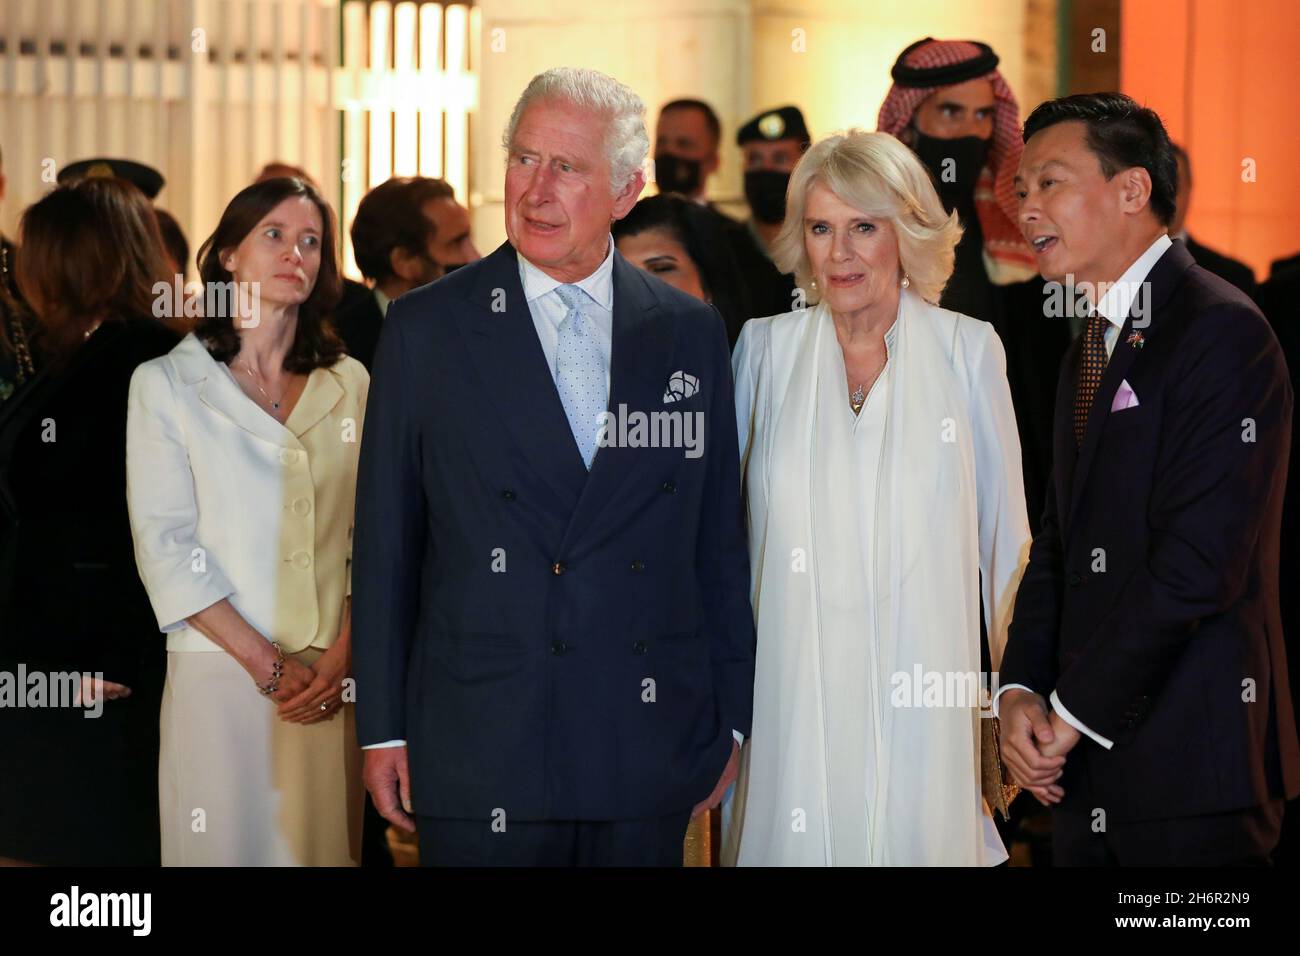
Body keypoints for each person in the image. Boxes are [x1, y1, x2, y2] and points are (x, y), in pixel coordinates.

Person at [352, 66, 755, 867]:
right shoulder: (426, 330)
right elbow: (387, 545)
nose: (535, 191)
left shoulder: (688, 330)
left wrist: (732, 719)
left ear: (626, 188)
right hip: (481, 739)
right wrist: (384, 727)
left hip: (644, 736)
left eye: (566, 168)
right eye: (523, 159)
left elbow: (717, 543)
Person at [998, 93, 1299, 865]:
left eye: (1050, 183)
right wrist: (1020, 694)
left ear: (1132, 191)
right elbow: (1058, 545)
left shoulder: (1222, 329)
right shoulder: (1086, 347)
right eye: (1022, 189)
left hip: (1191, 771)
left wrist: (1071, 711)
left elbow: (1199, 566)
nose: (1027, 207)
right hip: (1081, 766)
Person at [726, 129, 1031, 866]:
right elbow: (724, 546)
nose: (840, 252)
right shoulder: (762, 351)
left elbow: (1007, 544)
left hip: (927, 697)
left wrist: (1006, 700)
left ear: (909, 232)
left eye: (864, 227)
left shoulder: (969, 350)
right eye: (822, 228)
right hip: (786, 696)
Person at [126, 176, 369, 866]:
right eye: (274, 234)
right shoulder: (166, 384)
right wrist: (269, 667)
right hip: (221, 673)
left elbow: (373, 535)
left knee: (321, 851)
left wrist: (345, 651)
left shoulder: (350, 381)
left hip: (327, 679)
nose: (296, 252)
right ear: (228, 254)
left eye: (311, 241)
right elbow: (166, 546)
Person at [0, 176, 179, 865]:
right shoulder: (81, 353)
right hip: (53, 663)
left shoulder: (141, 360)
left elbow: (140, 530)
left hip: (93, 669)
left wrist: (93, 658)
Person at [878, 37, 1065, 536]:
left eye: (983, 116)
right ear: (912, 118)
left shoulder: (1009, 213)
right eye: (951, 113)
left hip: (1009, 438)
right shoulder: (878, 217)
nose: (971, 131)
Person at [654, 99, 794, 336]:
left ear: (713, 160)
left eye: (684, 144)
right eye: (662, 143)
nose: (671, 154)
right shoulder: (624, 229)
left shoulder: (732, 241)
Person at [336, 176, 480, 371]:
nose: (476, 257)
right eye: (456, 243)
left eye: (470, 239)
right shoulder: (341, 355)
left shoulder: (481, 330)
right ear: (404, 262)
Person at [613, 192, 753, 346]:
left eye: (661, 268)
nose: (638, 285)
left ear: (708, 284)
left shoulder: (753, 363)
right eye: (624, 273)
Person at [1169, 142, 1257, 299]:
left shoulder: (1233, 277)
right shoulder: (1117, 269)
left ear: (1189, 189)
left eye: (1175, 187)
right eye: (1159, 187)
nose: (1166, 198)